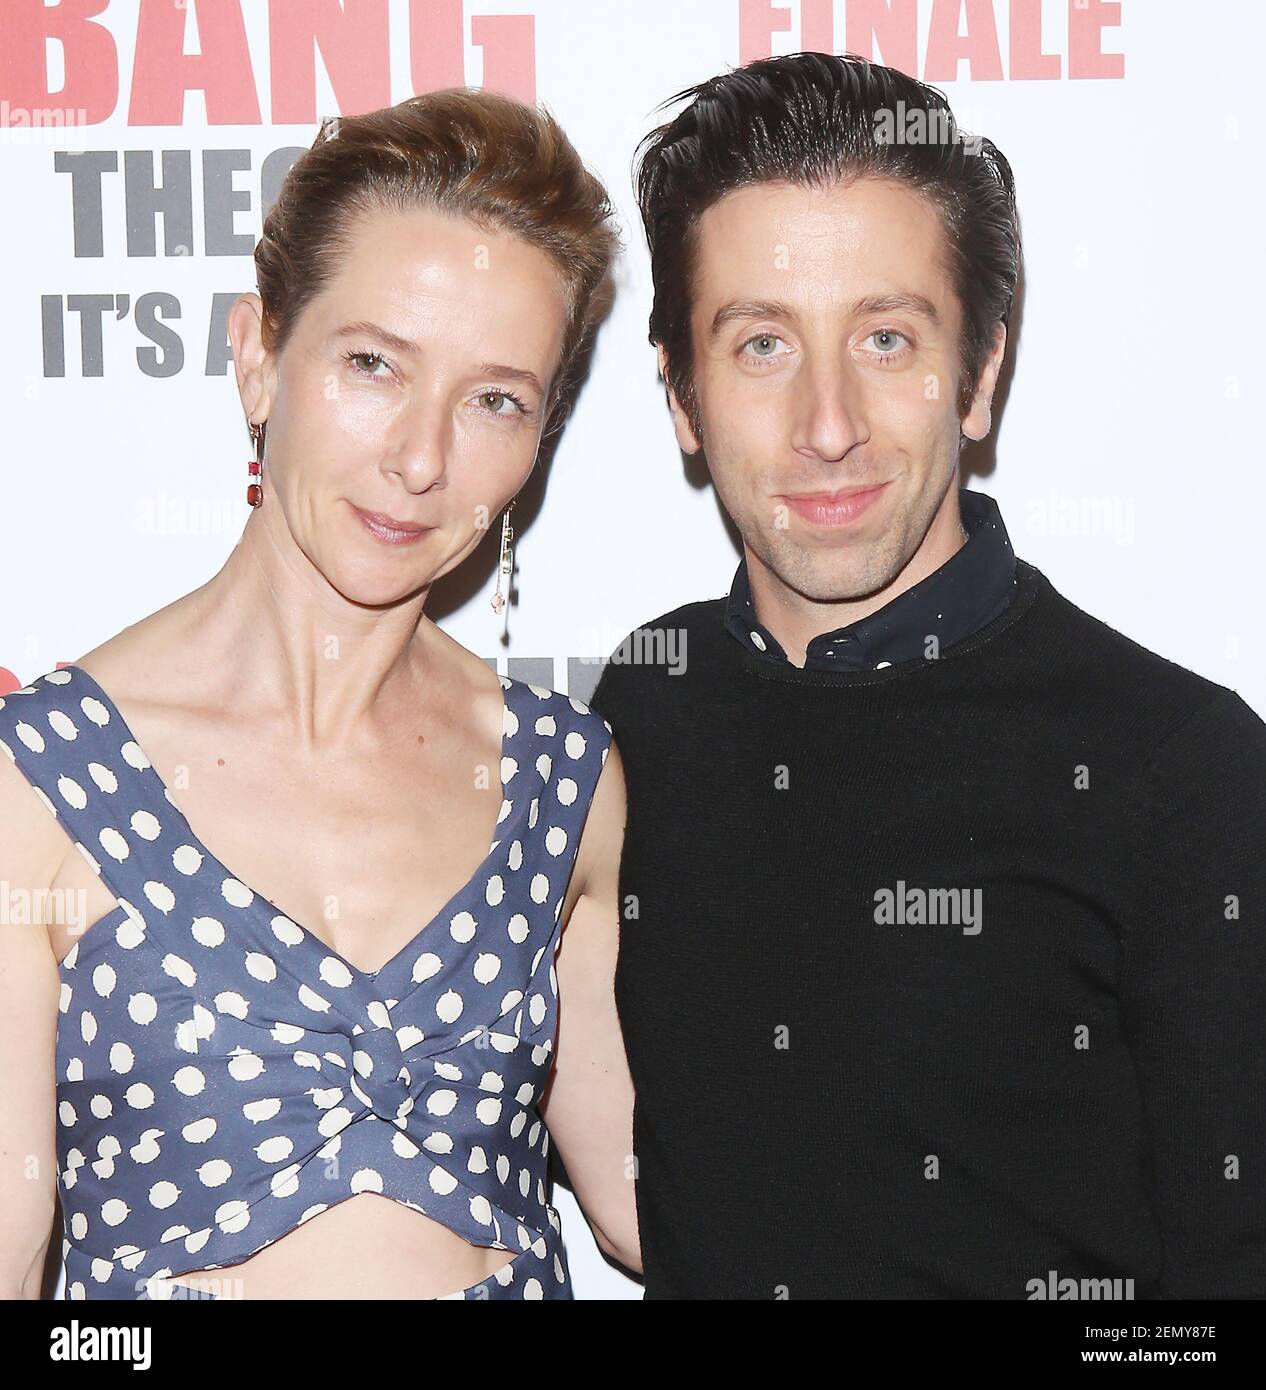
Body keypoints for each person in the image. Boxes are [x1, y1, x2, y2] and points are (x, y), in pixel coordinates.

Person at [590, 52, 1266, 1299]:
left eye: (887, 338)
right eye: (760, 346)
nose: (829, 422)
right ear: (682, 394)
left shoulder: (1179, 765)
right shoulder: (645, 703)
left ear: (983, 372)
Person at [0, 88, 639, 1301]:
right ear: (257, 354)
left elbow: (659, 1203)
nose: (420, 457)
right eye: (372, 365)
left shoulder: (565, 779)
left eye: (496, 398)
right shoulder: (39, 780)